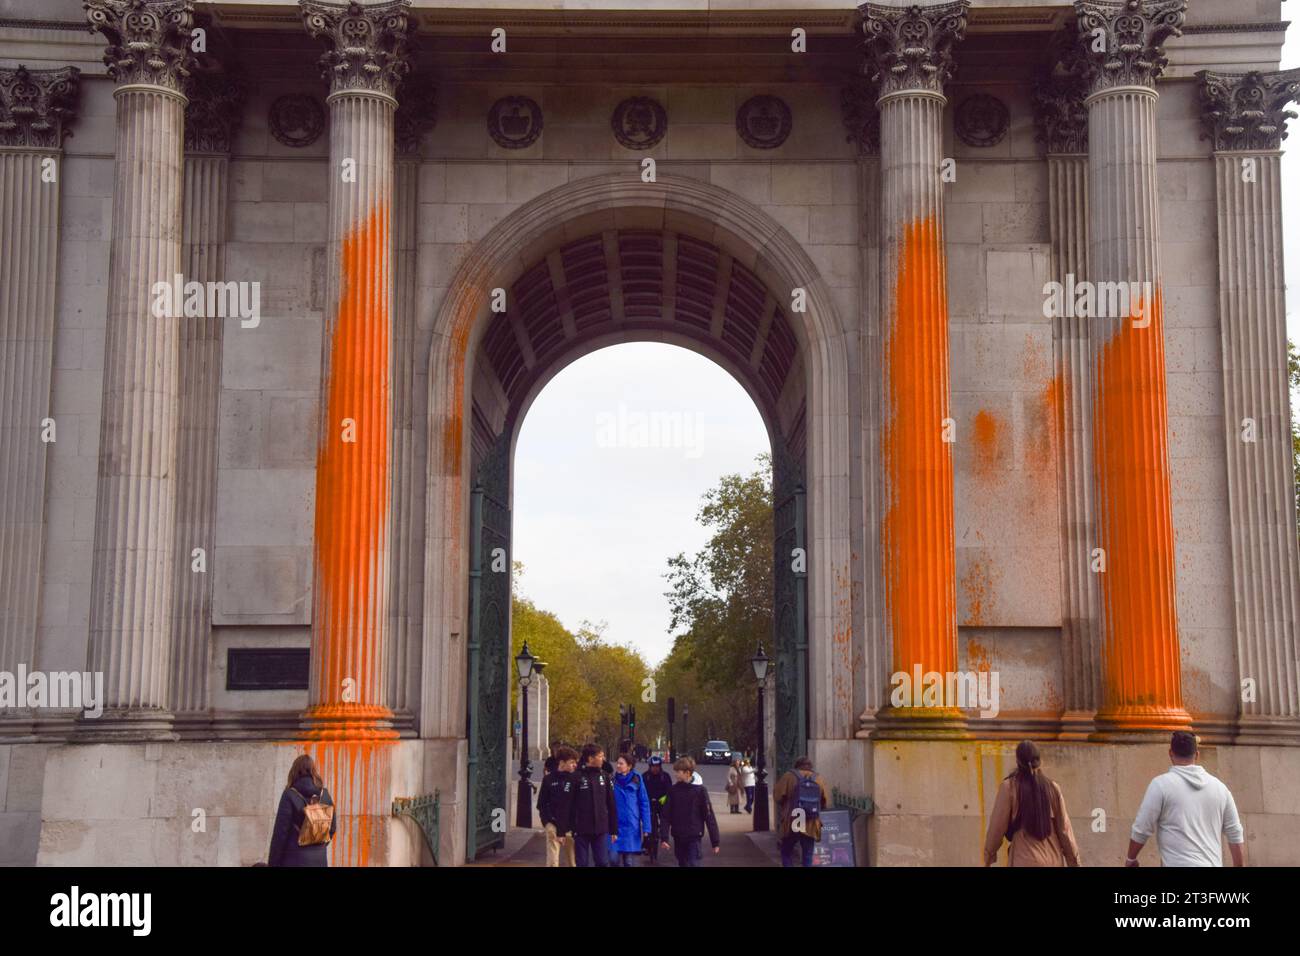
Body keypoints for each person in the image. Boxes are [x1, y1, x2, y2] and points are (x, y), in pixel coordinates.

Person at [1126, 731, 1245, 867]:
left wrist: (1131, 858)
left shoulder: (1161, 785)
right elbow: (1235, 832)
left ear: (1170, 753)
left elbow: (1142, 827)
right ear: (1197, 754)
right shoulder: (1220, 788)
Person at [982, 740, 1081, 867]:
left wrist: (989, 856)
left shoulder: (1009, 787)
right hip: (1054, 860)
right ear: (1040, 761)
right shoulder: (1053, 787)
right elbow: (1065, 830)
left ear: (1018, 761)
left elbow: (996, 828)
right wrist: (1074, 861)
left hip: (1024, 859)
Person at [267, 753, 337, 867]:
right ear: (313, 770)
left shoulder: (289, 795)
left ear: (294, 771)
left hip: (294, 859)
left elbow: (280, 835)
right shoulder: (325, 795)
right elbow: (332, 828)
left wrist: (273, 863)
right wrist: (316, 844)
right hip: (319, 860)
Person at [659, 757, 721, 867]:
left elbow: (709, 816)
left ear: (687, 773)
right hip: (679, 836)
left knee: (693, 863)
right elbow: (665, 815)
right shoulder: (673, 791)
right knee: (682, 863)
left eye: (678, 772)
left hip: (694, 836)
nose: (675, 775)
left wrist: (715, 841)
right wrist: (664, 837)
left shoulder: (700, 791)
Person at [772, 755, 830, 867]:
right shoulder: (818, 778)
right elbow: (825, 802)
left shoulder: (789, 776)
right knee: (807, 855)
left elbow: (778, 797)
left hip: (793, 820)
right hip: (811, 822)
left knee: (786, 852)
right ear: (810, 766)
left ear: (797, 766)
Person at [571, 743, 618, 867]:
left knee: (602, 862)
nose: (603, 759)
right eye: (600, 756)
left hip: (601, 829)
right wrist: (564, 829)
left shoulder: (605, 776)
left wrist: (614, 829)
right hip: (581, 829)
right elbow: (568, 805)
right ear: (591, 759)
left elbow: (611, 804)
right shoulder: (576, 776)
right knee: (582, 863)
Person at [537, 745, 578, 867]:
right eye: (572, 762)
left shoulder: (576, 779)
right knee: (552, 862)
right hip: (553, 824)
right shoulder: (548, 779)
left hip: (571, 826)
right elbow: (542, 803)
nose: (575, 765)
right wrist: (547, 822)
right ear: (562, 763)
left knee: (572, 862)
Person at [611, 753, 652, 866]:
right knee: (613, 859)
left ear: (629, 766)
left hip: (631, 827)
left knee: (629, 862)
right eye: (617, 763)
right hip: (615, 827)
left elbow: (644, 803)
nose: (618, 766)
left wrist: (647, 828)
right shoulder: (612, 781)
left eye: (621, 763)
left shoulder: (637, 780)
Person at [642, 755, 673, 864]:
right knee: (647, 822)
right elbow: (642, 791)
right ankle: (645, 843)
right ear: (649, 766)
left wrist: (663, 800)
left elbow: (670, 791)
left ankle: (663, 837)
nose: (655, 768)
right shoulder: (645, 776)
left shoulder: (665, 776)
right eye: (653, 766)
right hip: (649, 803)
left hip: (662, 803)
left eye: (657, 766)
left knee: (665, 819)